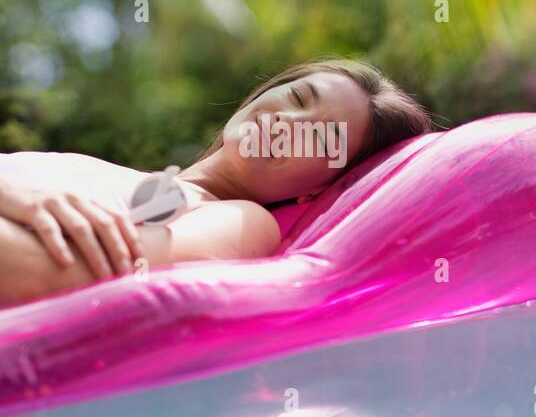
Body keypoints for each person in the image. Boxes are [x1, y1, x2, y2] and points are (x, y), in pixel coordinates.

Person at [0, 58, 431, 306]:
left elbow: (63, 276)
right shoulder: (109, 173)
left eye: (319, 137)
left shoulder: (238, 221)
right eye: (298, 98)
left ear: (317, 189)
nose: (287, 122)